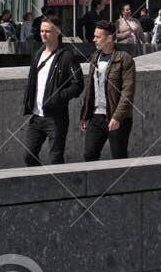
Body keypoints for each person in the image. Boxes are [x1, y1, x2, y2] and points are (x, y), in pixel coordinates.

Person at [20, 16, 82, 166]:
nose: (43, 34)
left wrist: (57, 97)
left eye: (47, 31)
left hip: (56, 118)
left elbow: (78, 85)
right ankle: (40, 184)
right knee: (28, 155)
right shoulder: (38, 55)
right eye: (41, 31)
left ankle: (58, 187)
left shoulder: (67, 56)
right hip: (36, 116)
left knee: (56, 158)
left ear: (58, 31)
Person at [79, 21, 136, 160]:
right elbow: (91, 88)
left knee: (118, 157)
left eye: (98, 37)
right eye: (94, 36)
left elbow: (128, 91)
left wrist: (117, 117)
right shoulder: (94, 57)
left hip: (116, 116)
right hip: (96, 116)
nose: (94, 39)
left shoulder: (124, 59)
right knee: (89, 155)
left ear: (110, 38)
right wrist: (85, 114)